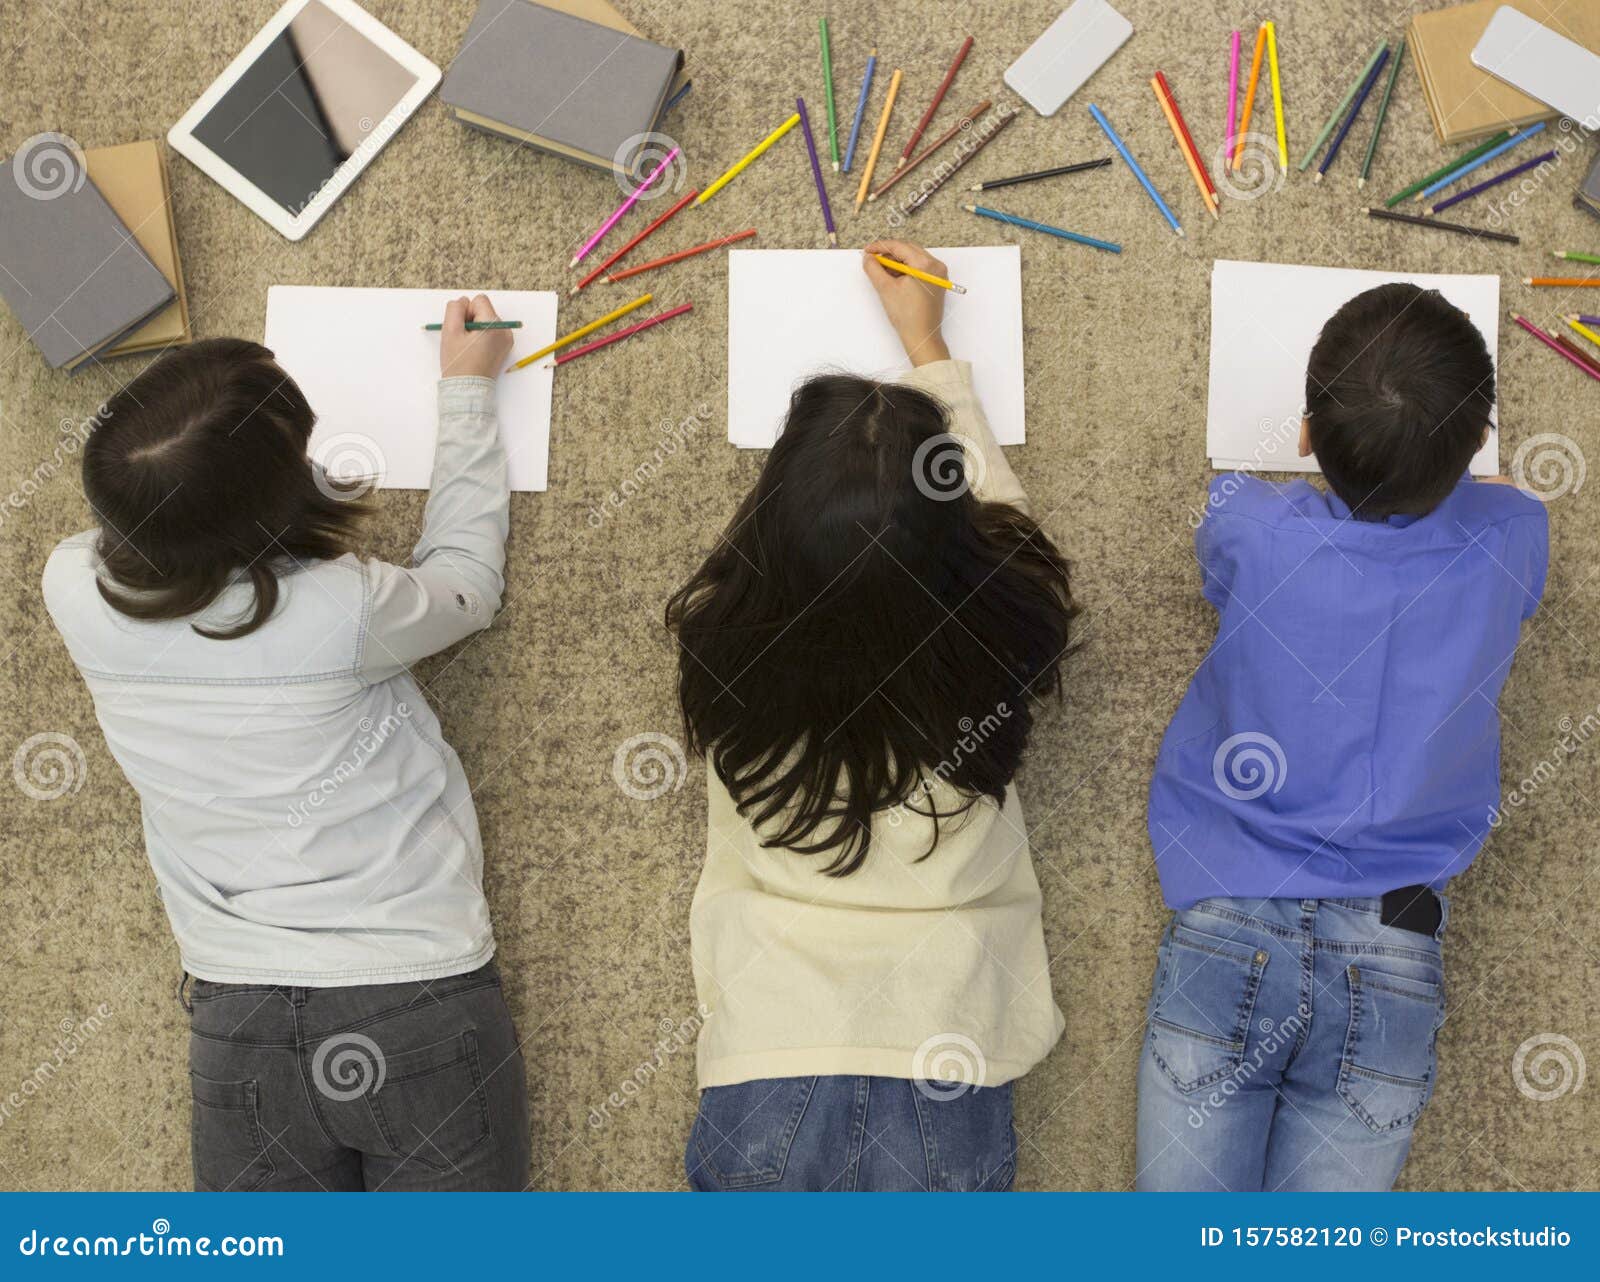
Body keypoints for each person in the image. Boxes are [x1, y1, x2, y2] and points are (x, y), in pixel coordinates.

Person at [42, 296, 530, 1191]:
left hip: (238, 1016)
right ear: (276, 500)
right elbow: (465, 584)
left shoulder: (71, 584)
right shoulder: (342, 606)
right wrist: (467, 394)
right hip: (417, 985)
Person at [670, 241, 1078, 1192]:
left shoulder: (724, 646)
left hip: (766, 1052)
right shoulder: (1003, 631)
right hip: (954, 1033)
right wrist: (928, 347)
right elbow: (1003, 513)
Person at [1139, 283, 1548, 1191]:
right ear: (1478, 443)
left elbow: (1223, 550)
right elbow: (1508, 499)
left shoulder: (1248, 520)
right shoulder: (1515, 533)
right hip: (1400, 936)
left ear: (1302, 433)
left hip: (1228, 906)